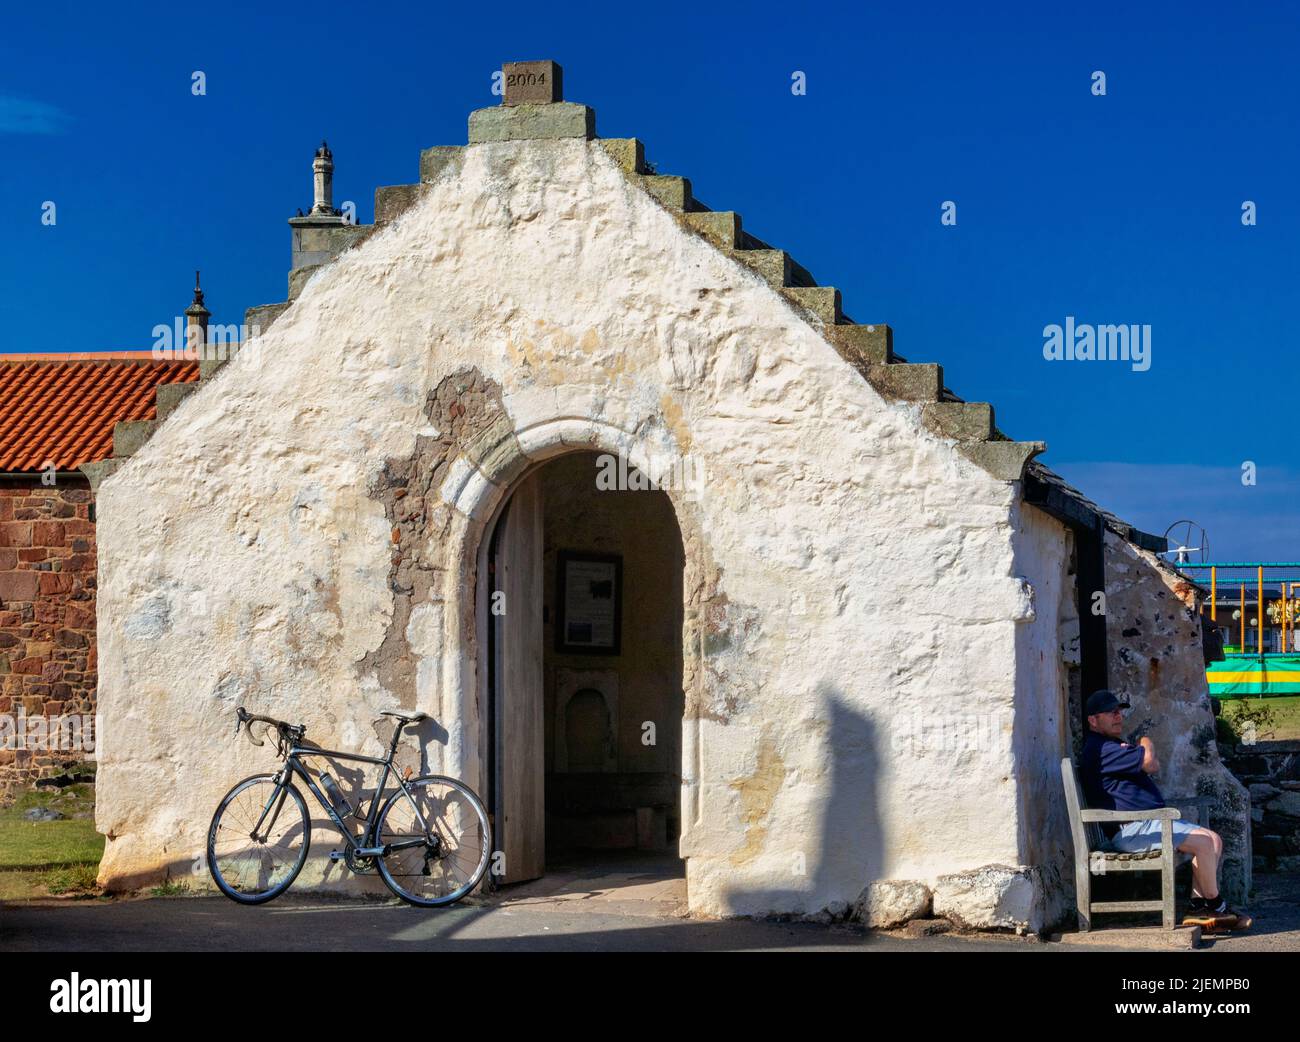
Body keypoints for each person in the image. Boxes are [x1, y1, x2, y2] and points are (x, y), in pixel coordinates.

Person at [1079, 689, 1250, 929]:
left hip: (1148, 823)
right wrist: (1145, 741)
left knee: (1214, 840)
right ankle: (1218, 905)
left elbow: (1152, 763)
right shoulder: (1101, 749)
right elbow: (1150, 763)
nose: (1118, 717)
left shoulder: (1111, 745)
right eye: (1110, 713)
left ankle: (1198, 908)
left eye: (1119, 712)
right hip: (1132, 830)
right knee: (1204, 843)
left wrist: (1144, 748)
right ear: (1093, 720)